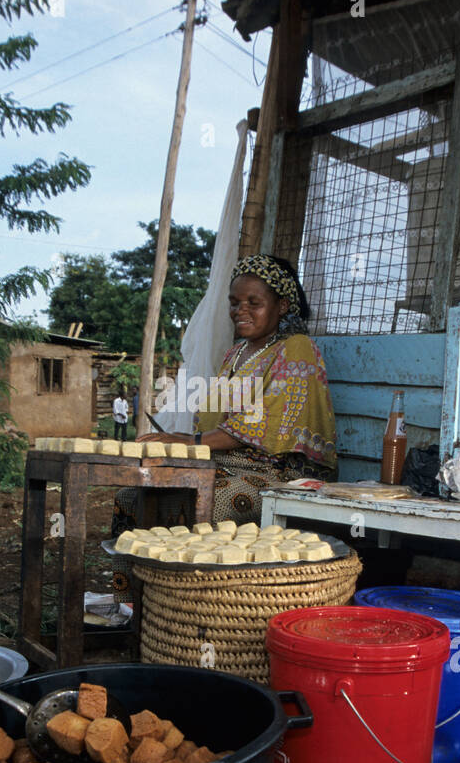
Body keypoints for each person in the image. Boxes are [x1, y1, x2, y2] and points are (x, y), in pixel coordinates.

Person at [108, 254, 338, 605]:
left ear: (283, 306)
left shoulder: (296, 349)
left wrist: (185, 442)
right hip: (224, 464)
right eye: (234, 302)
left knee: (211, 503)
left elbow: (265, 426)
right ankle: (137, 606)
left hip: (279, 472)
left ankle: (198, 608)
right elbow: (214, 419)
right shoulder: (235, 355)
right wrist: (181, 447)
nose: (240, 310)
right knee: (131, 497)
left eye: (253, 303)